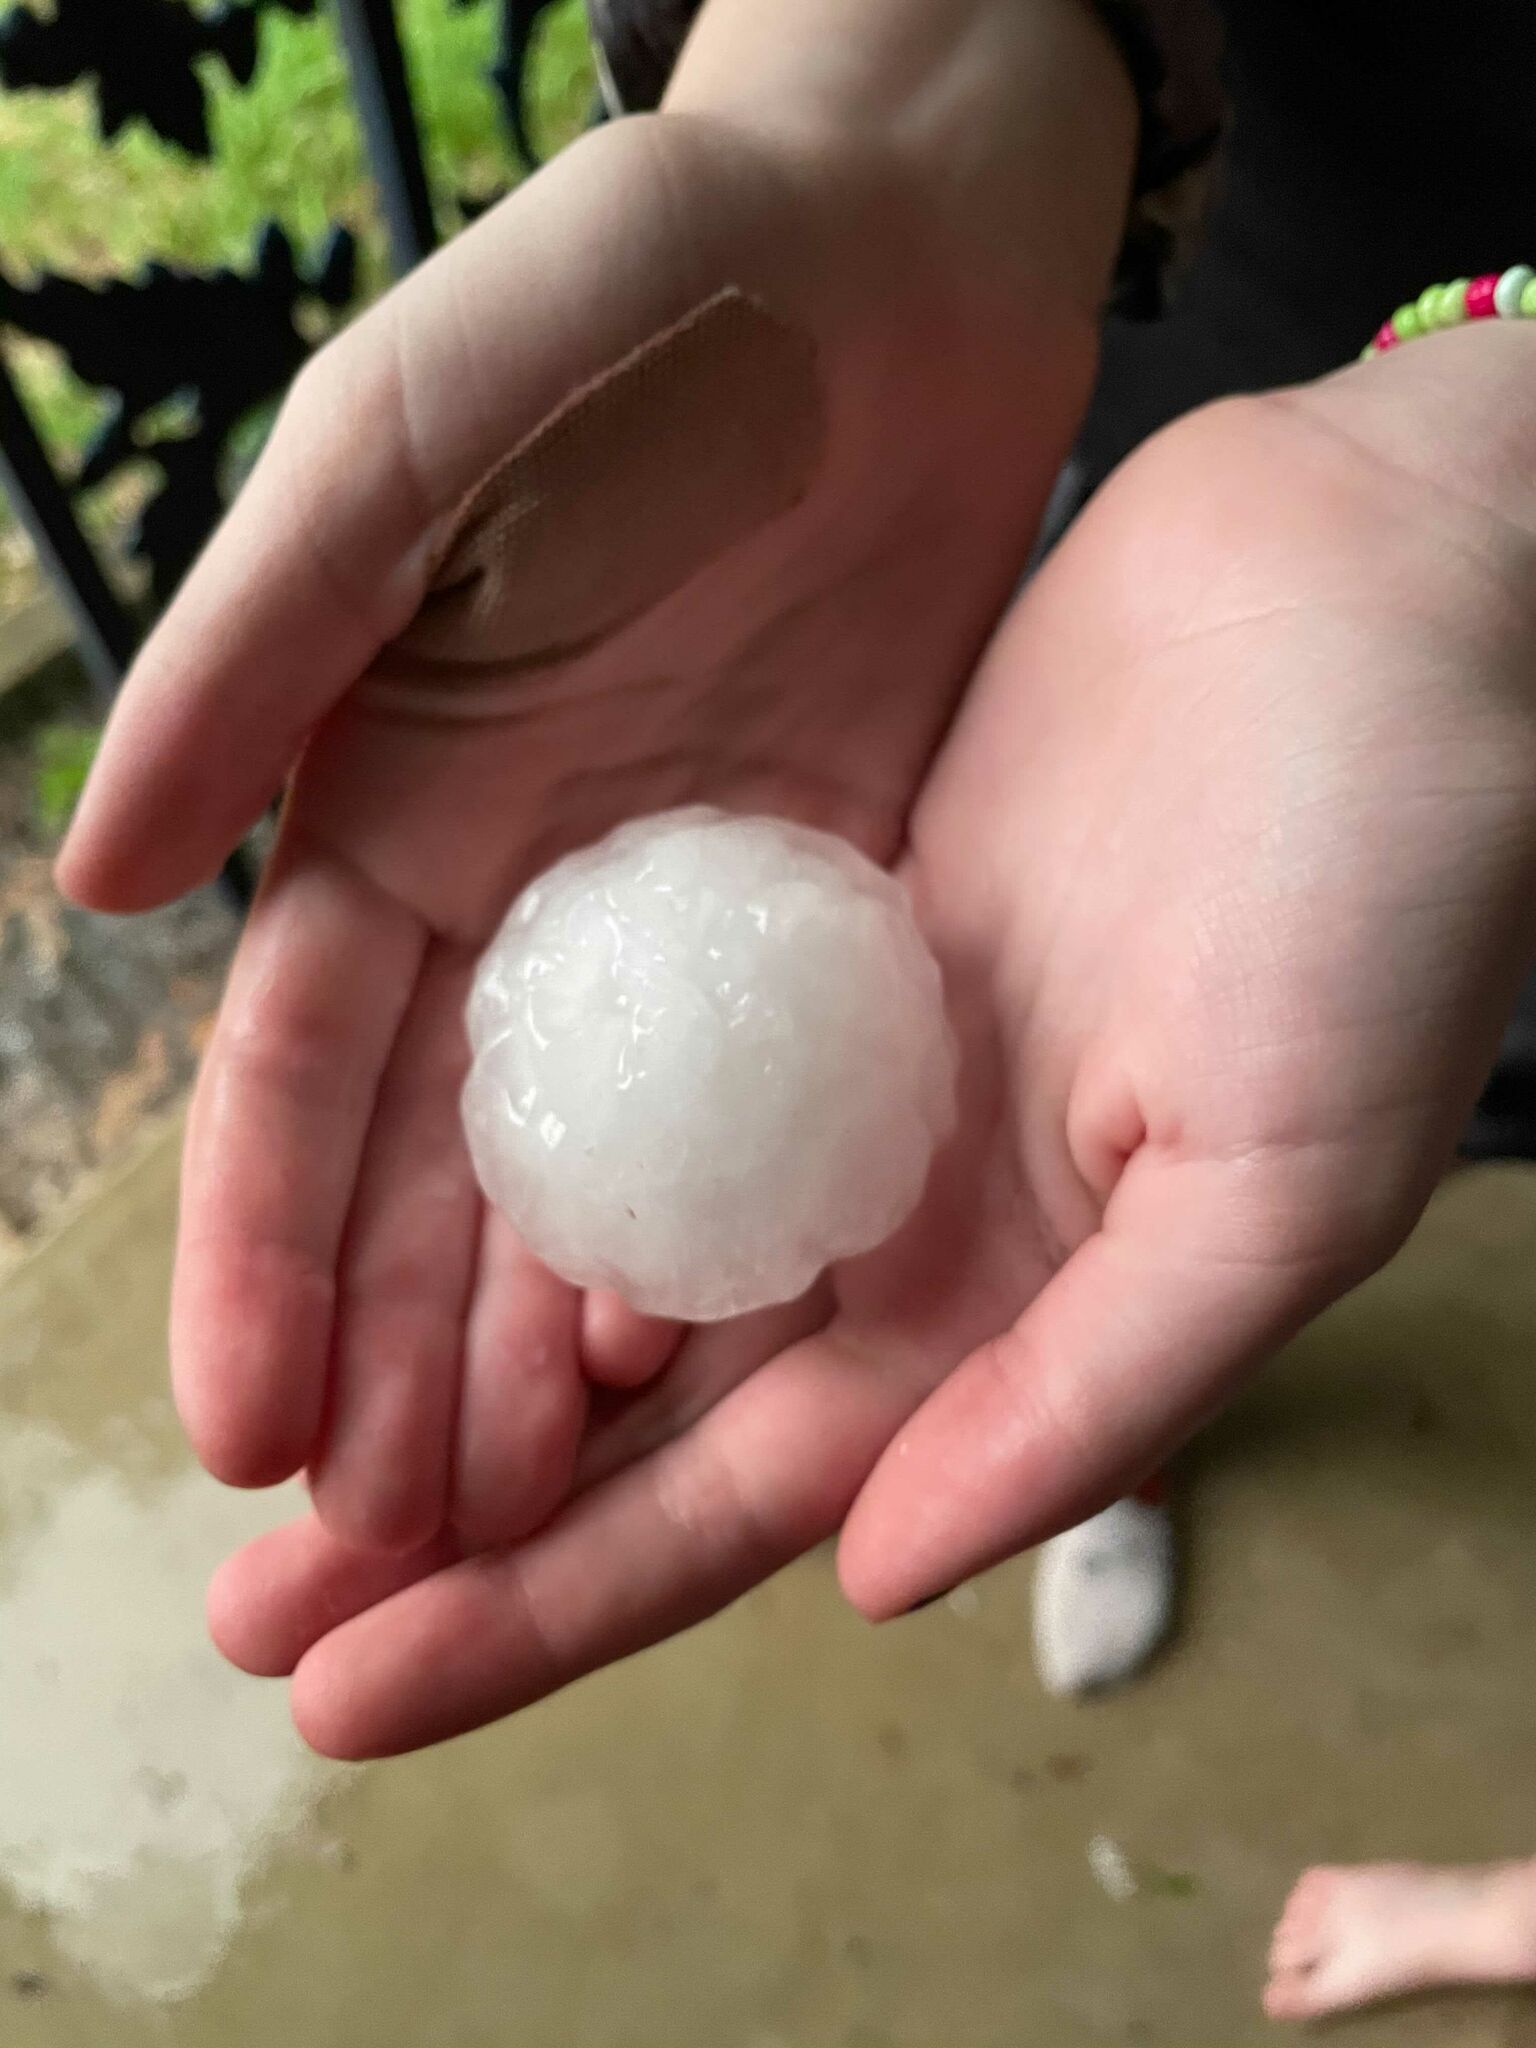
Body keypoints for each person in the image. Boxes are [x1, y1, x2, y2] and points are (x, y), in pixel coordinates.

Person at [54, 1, 1536, 2001]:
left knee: (1252, 1118)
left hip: (1390, 571)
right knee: (1144, 1171)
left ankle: (1146, 1412)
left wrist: (1485, 497)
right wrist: (906, 74)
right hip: (1256, 278)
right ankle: (1147, 1439)